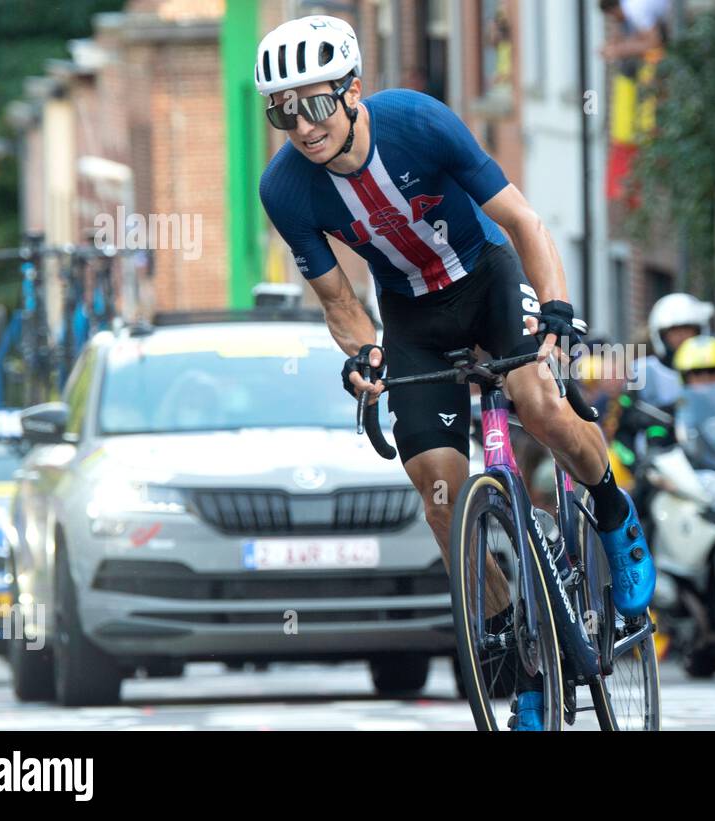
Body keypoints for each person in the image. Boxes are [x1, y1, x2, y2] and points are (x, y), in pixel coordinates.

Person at [254, 16, 653, 730]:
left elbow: (526, 222)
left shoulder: (417, 121)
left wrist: (557, 310)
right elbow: (340, 300)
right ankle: (518, 659)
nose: (302, 125)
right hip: (414, 318)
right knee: (441, 493)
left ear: (351, 91)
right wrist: (364, 354)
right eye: (283, 111)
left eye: (313, 103)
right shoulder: (285, 188)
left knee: (538, 401)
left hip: (489, 277)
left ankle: (615, 513)